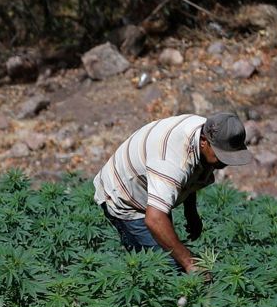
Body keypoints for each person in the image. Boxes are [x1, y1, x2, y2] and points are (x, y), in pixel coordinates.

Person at [94, 112, 252, 273]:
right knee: (166, 269)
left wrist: (191, 213)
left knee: (173, 257)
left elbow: (190, 176)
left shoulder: (212, 132)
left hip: (150, 187)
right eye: (223, 155)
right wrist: (190, 263)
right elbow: (154, 219)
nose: (226, 161)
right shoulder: (172, 162)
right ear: (204, 142)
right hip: (125, 197)